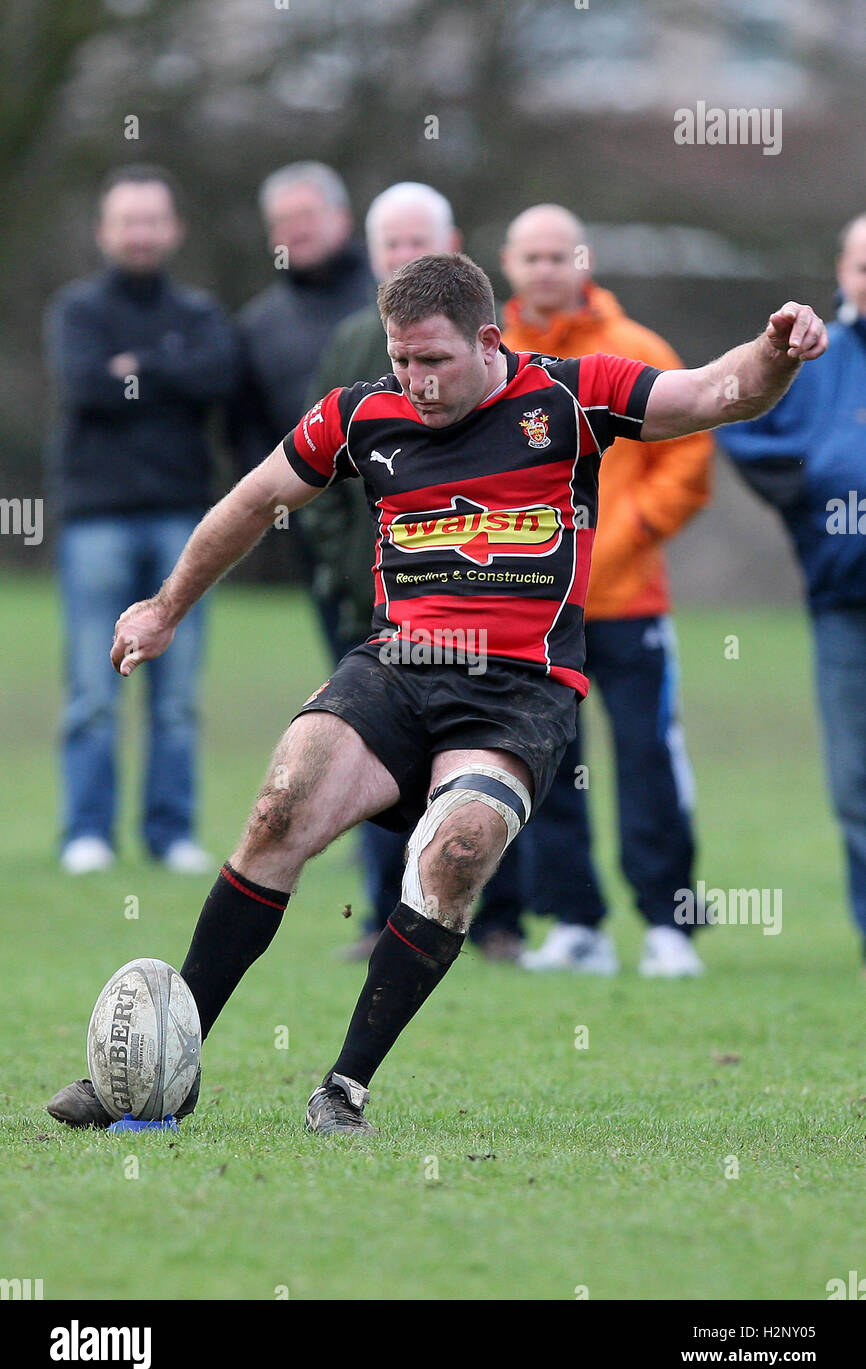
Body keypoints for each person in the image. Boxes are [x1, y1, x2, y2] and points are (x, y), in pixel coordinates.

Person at [46, 254, 826, 1136]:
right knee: (278, 810)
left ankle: (343, 1089)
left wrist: (776, 352)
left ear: (488, 341)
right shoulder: (360, 413)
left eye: (434, 361)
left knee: (456, 854)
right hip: (397, 667)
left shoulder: (570, 398)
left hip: (517, 691)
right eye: (401, 359)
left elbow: (721, 392)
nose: (415, 381)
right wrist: (164, 607)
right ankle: (167, 1067)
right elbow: (257, 498)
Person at [306, 182, 524, 963]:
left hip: (483, 608)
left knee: (492, 755)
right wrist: (355, 574)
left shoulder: (497, 353)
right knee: (372, 756)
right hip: (375, 605)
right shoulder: (348, 346)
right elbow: (315, 479)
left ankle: (498, 923)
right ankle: (381, 916)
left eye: (416, 243)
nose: (403, 257)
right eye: (390, 245)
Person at [499, 204, 713, 977]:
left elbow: (688, 454)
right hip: (536, 611)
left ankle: (668, 925)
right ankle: (575, 923)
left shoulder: (638, 349)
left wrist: (634, 531)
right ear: (509, 263)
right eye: (532, 256)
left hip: (629, 605)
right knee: (546, 764)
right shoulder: (493, 359)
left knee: (648, 761)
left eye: (559, 255)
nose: (545, 269)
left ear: (583, 261)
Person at [45, 165, 239, 874]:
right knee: (93, 688)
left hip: (185, 524)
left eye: (153, 219)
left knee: (177, 695)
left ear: (174, 229)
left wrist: (137, 366)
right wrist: (168, 370)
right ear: (105, 230)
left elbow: (217, 378)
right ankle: (86, 833)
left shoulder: (200, 312)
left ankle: (170, 833)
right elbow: (85, 386)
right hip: (96, 520)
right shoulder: (76, 311)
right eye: (128, 220)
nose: (141, 233)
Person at [719, 213, 866, 962]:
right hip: (843, 603)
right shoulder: (818, 357)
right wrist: (817, 483)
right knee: (854, 783)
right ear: (842, 273)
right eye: (863, 266)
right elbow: (740, 423)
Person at [231, 161, 375, 477]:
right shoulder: (256, 326)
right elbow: (249, 435)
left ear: (343, 218)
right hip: (305, 493)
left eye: (307, 215)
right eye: (283, 221)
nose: (297, 229)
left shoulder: (388, 297)